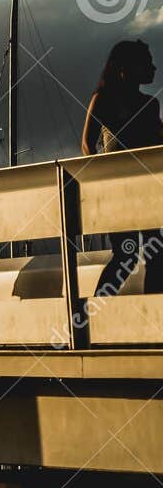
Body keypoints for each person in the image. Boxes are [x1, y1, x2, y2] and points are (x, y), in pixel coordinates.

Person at [83, 39, 163, 297]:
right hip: (118, 191)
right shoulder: (103, 100)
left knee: (156, 255)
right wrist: (102, 182)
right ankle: (96, 319)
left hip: (148, 189)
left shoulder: (151, 105)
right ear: (125, 68)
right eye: (146, 63)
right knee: (126, 257)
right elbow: (86, 145)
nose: (153, 68)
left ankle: (154, 323)